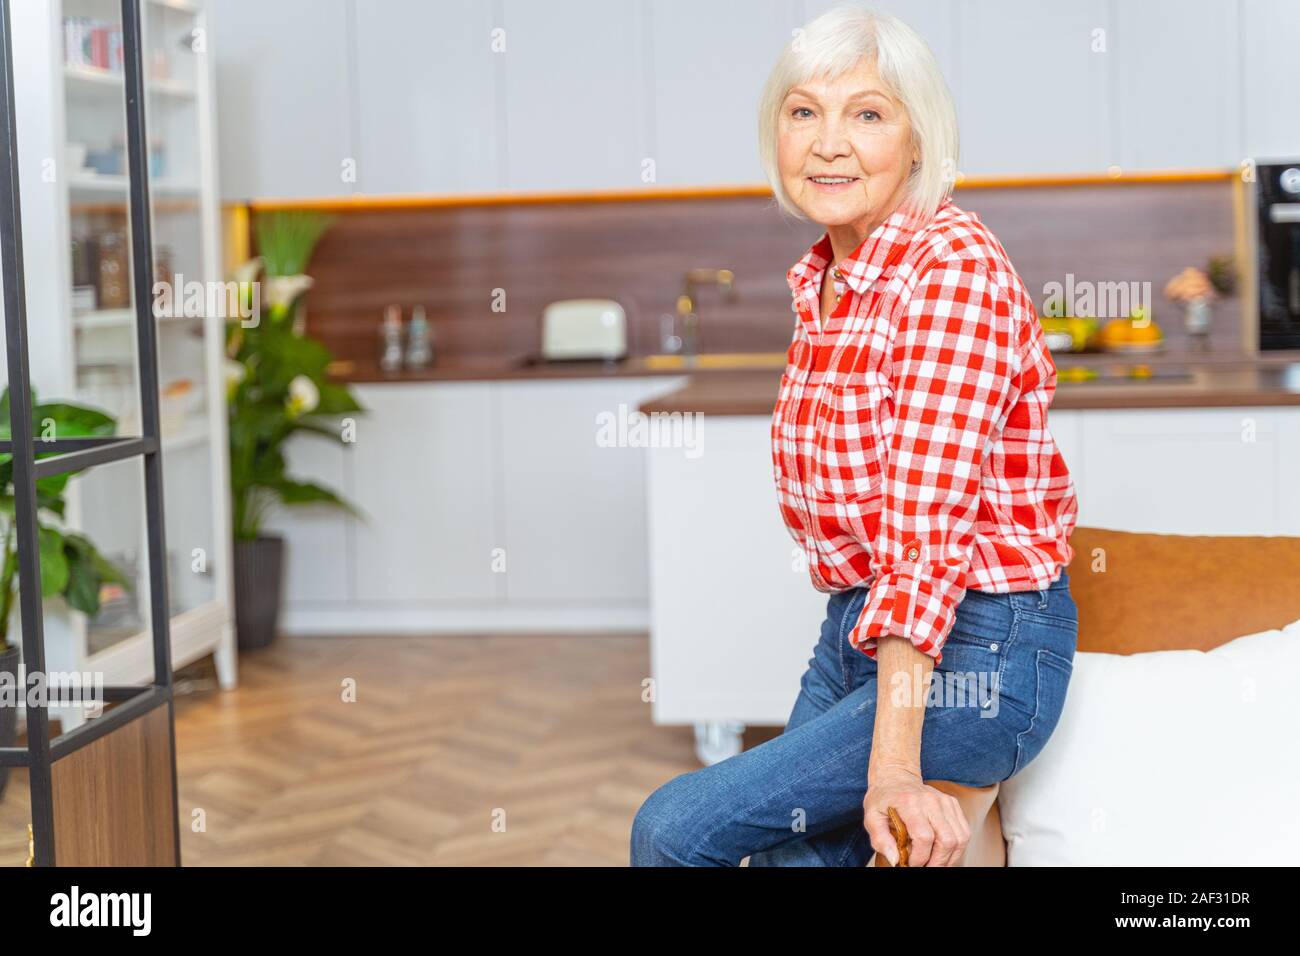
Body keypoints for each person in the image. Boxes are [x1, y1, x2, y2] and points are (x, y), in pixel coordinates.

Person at [630, 3, 1079, 867]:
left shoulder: (950, 273)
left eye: (867, 113)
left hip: (981, 651)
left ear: (919, 139)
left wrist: (893, 772)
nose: (828, 142)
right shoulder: (834, 277)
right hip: (856, 629)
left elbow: (923, 541)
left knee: (674, 831)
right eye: (804, 112)